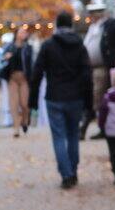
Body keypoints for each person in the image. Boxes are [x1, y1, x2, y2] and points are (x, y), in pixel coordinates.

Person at [29, 12, 92, 189]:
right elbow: (87, 75)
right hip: (76, 97)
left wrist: (33, 101)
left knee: (58, 137)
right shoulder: (80, 46)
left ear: (57, 24)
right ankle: (72, 170)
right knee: (73, 135)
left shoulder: (48, 46)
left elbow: (37, 73)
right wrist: (88, 102)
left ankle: (66, 174)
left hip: (54, 97)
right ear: (71, 24)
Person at [81, 2, 115, 141]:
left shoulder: (109, 25)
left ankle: (99, 127)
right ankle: (95, 126)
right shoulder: (93, 28)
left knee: (97, 98)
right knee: (94, 98)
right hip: (92, 68)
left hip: (102, 67)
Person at [0, 26, 35, 137]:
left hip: (24, 79)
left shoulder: (28, 48)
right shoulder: (9, 47)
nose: (23, 34)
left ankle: (25, 120)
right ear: (16, 34)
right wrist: (6, 57)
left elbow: (32, 63)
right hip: (12, 78)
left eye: (24, 32)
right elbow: (1, 59)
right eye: (21, 32)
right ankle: (16, 128)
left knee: (24, 104)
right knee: (13, 104)